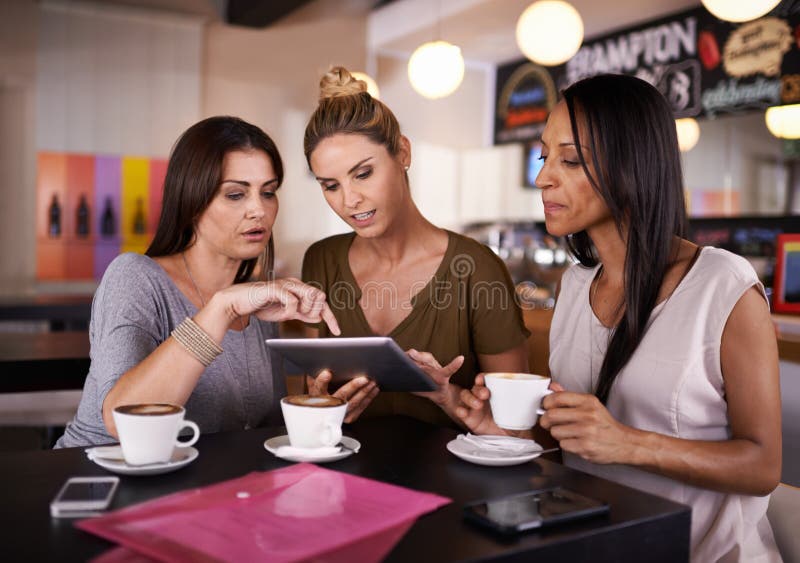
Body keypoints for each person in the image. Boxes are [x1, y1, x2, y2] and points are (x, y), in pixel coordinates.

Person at [456, 74, 782, 561]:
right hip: (599, 545)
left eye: (570, 160)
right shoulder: (574, 286)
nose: (544, 178)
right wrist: (511, 431)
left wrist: (628, 443)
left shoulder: (722, 285)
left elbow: (762, 466)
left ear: (633, 165)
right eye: (545, 157)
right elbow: (580, 442)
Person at [56, 116, 355, 448]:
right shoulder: (134, 277)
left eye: (268, 192)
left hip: (198, 478)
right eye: (235, 194)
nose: (259, 209)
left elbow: (258, 430)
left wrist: (313, 405)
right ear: (192, 202)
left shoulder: (257, 302)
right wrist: (223, 308)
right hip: (98, 475)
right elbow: (122, 421)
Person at [301, 66, 531, 428]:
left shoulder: (476, 268)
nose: (349, 200)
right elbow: (312, 398)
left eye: (363, 173)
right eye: (330, 186)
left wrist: (449, 397)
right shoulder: (321, 260)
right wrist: (320, 409)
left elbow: (518, 432)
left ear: (403, 153)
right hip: (345, 465)